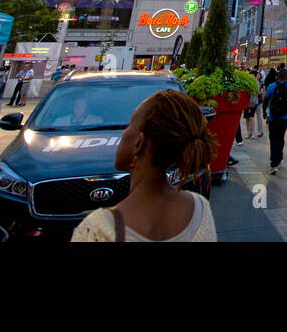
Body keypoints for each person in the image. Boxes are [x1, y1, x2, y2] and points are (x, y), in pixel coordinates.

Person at [72, 90, 217, 242]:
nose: (123, 133)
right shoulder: (200, 211)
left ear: (138, 143)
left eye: (129, 125)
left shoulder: (98, 229)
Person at [262, 64, 287, 174]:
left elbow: (266, 100)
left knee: (273, 139)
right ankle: (280, 157)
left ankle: (274, 164)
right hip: (284, 117)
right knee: (281, 137)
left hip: (273, 116)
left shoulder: (272, 86)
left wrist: (264, 112)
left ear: (278, 77)